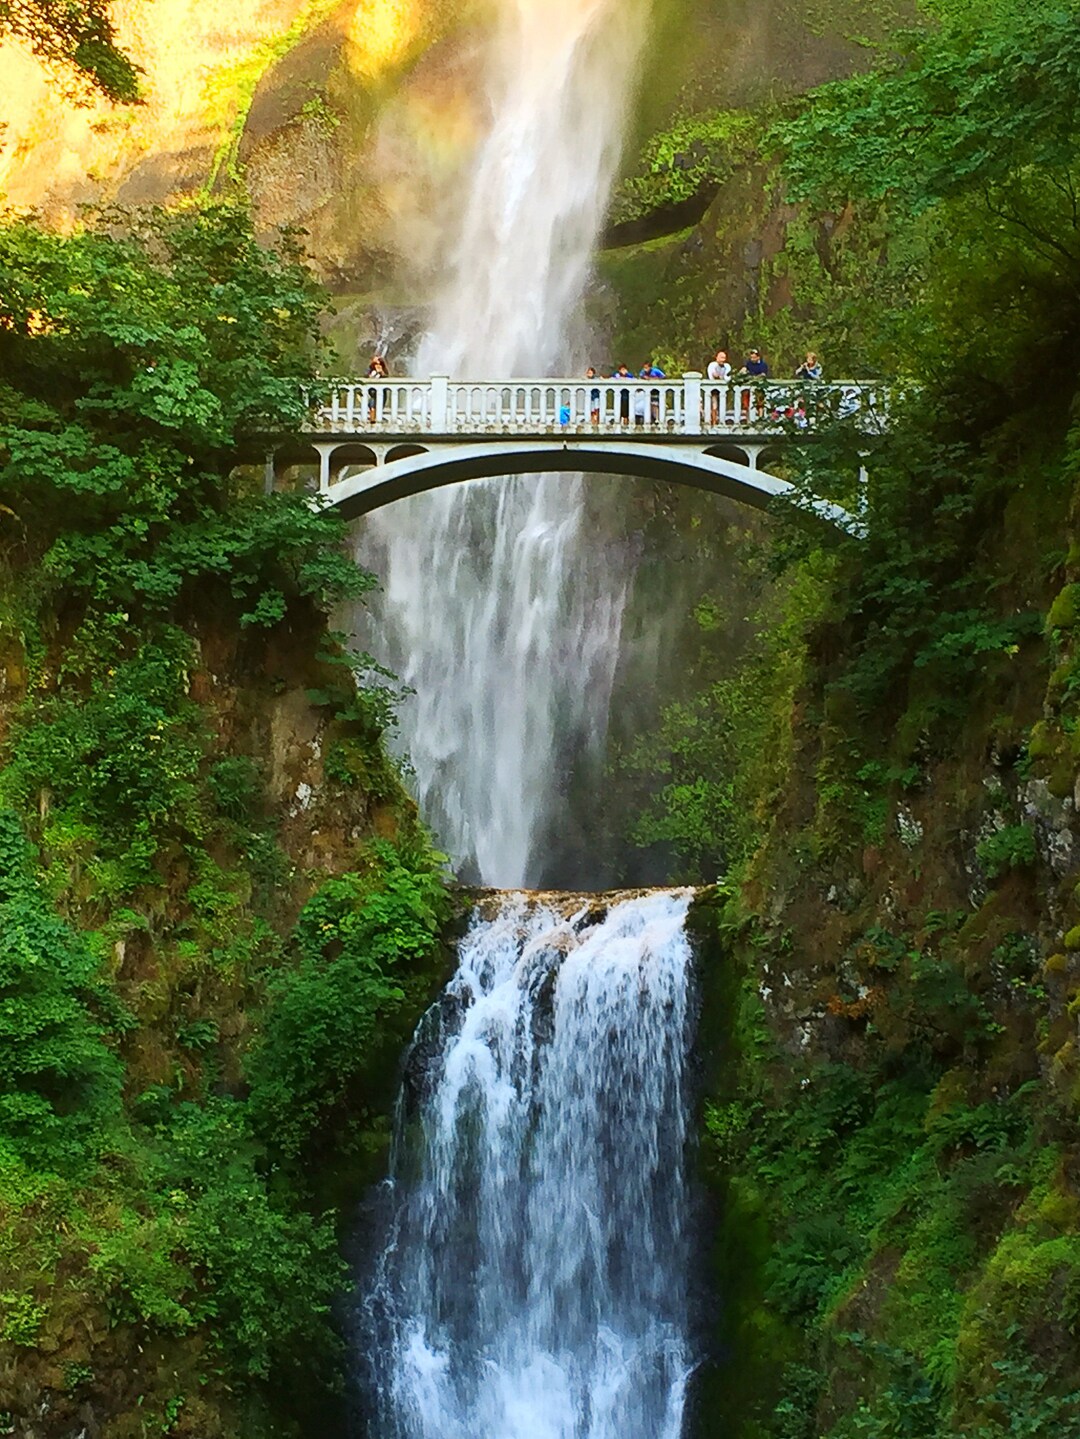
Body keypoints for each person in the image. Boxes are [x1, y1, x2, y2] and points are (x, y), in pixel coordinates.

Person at [738, 348, 769, 418]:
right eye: (751, 357)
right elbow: (744, 370)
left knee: (760, 403)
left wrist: (754, 378)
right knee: (746, 403)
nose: (752, 359)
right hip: (749, 386)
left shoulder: (763, 365)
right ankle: (748, 419)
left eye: (754, 357)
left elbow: (763, 375)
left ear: (758, 357)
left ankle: (760, 418)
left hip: (759, 387)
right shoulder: (749, 364)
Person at [707, 349, 731, 424]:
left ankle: (721, 421)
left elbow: (728, 378)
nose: (722, 360)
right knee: (714, 405)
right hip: (714, 389)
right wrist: (719, 377)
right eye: (721, 357)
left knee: (723, 405)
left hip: (724, 390)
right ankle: (713, 421)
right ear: (716, 357)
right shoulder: (712, 365)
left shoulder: (727, 366)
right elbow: (712, 376)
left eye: (724, 358)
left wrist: (721, 377)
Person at [640, 359, 666, 423]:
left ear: (650, 367)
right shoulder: (643, 371)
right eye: (644, 367)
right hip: (648, 391)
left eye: (647, 367)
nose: (645, 369)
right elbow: (641, 376)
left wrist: (654, 379)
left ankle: (657, 418)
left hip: (656, 390)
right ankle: (651, 419)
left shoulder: (655, 371)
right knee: (649, 405)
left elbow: (663, 376)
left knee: (656, 404)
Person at [366, 354, 389, 422]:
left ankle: (377, 418)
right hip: (372, 392)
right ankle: (372, 420)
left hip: (381, 392)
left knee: (380, 405)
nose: (377, 364)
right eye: (375, 363)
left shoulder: (383, 370)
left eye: (379, 362)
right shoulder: (370, 370)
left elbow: (386, 377)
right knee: (372, 405)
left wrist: (381, 372)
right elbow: (366, 376)